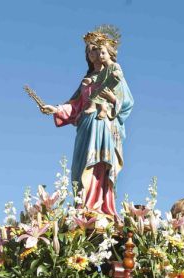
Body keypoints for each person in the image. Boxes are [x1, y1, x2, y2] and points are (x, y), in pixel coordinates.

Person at [40, 28, 134, 218]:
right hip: (85, 126)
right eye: (89, 51)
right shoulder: (86, 81)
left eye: (96, 49)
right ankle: (82, 206)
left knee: (99, 162)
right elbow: (75, 106)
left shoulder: (114, 75)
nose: (93, 53)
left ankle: (99, 207)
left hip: (103, 125)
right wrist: (56, 109)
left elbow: (127, 102)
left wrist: (113, 101)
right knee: (79, 169)